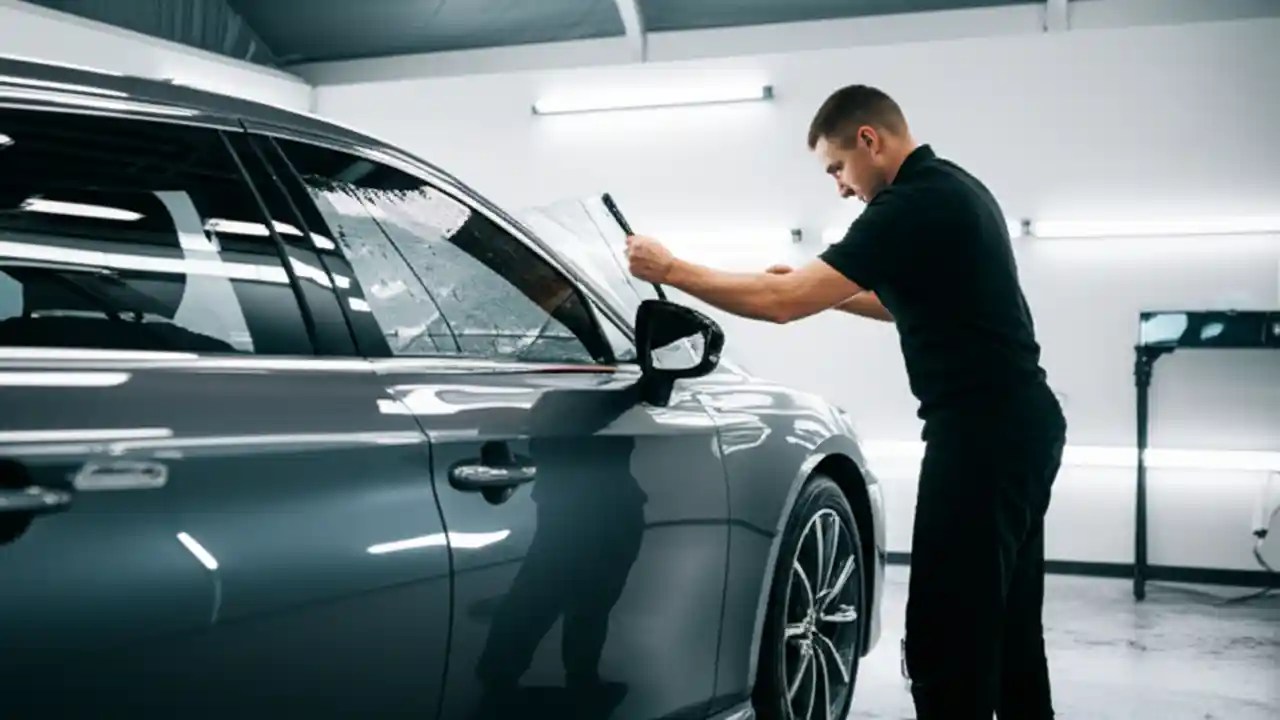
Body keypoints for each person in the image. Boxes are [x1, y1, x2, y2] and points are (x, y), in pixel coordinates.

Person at [625, 84, 1067, 719]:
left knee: (949, 636)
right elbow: (906, 303)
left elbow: (780, 306)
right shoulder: (956, 188)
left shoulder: (909, 206)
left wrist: (670, 269)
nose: (839, 185)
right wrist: (825, 291)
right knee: (1008, 627)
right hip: (1022, 426)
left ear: (869, 140)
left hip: (983, 437)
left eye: (837, 167)